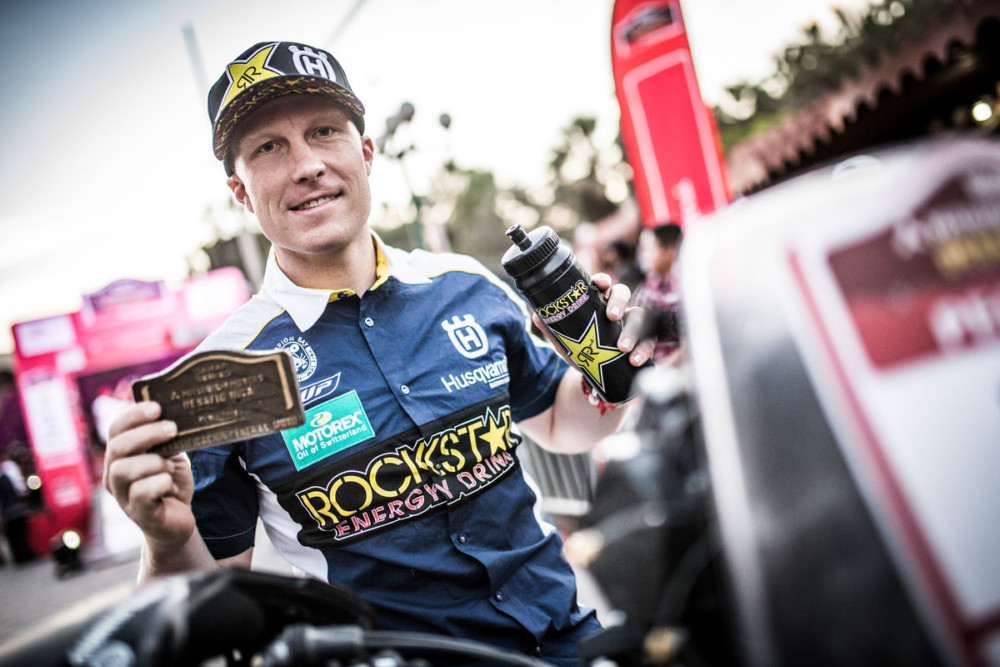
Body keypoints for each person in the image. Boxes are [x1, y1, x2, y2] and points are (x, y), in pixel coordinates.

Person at [103, 41, 655, 665]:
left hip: (572, 643)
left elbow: (561, 423)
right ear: (241, 190)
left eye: (324, 131)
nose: (307, 165)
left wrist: (611, 364)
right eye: (269, 147)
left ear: (365, 152)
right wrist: (164, 539)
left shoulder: (464, 285)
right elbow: (199, 614)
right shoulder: (223, 376)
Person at [631, 222, 683, 363]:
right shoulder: (649, 286)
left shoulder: (685, 287)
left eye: (647, 249)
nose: (641, 256)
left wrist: (662, 368)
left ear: (670, 250)